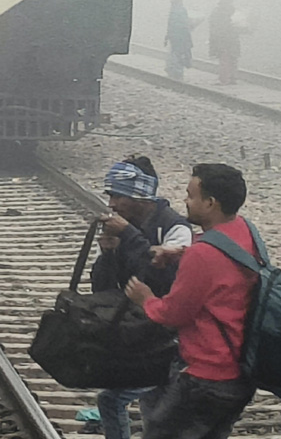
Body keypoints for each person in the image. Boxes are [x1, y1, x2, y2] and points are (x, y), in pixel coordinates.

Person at [126, 164, 258, 439]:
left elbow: (173, 314)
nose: (185, 200)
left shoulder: (203, 255)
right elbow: (223, 264)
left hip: (203, 378)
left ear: (210, 203)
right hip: (238, 375)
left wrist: (146, 299)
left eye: (190, 195)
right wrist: (181, 253)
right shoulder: (245, 230)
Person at [90, 157, 193, 439]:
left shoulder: (176, 229)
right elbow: (103, 291)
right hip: (144, 337)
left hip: (174, 342)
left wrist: (129, 235)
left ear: (139, 196)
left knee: (133, 406)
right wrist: (109, 254)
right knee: (142, 410)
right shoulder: (124, 229)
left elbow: (164, 277)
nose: (111, 204)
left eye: (116, 196)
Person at [209, 0, 241, 85]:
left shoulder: (217, 12)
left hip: (222, 39)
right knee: (233, 58)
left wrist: (213, 40)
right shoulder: (235, 12)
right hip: (234, 38)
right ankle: (233, 78)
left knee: (224, 59)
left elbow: (213, 26)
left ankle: (224, 79)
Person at [164, 0, 196, 82]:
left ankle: (175, 73)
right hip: (182, 37)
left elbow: (172, 25)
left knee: (176, 54)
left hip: (177, 37)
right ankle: (177, 73)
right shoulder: (182, 10)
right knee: (180, 54)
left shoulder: (174, 11)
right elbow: (184, 24)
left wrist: (167, 36)